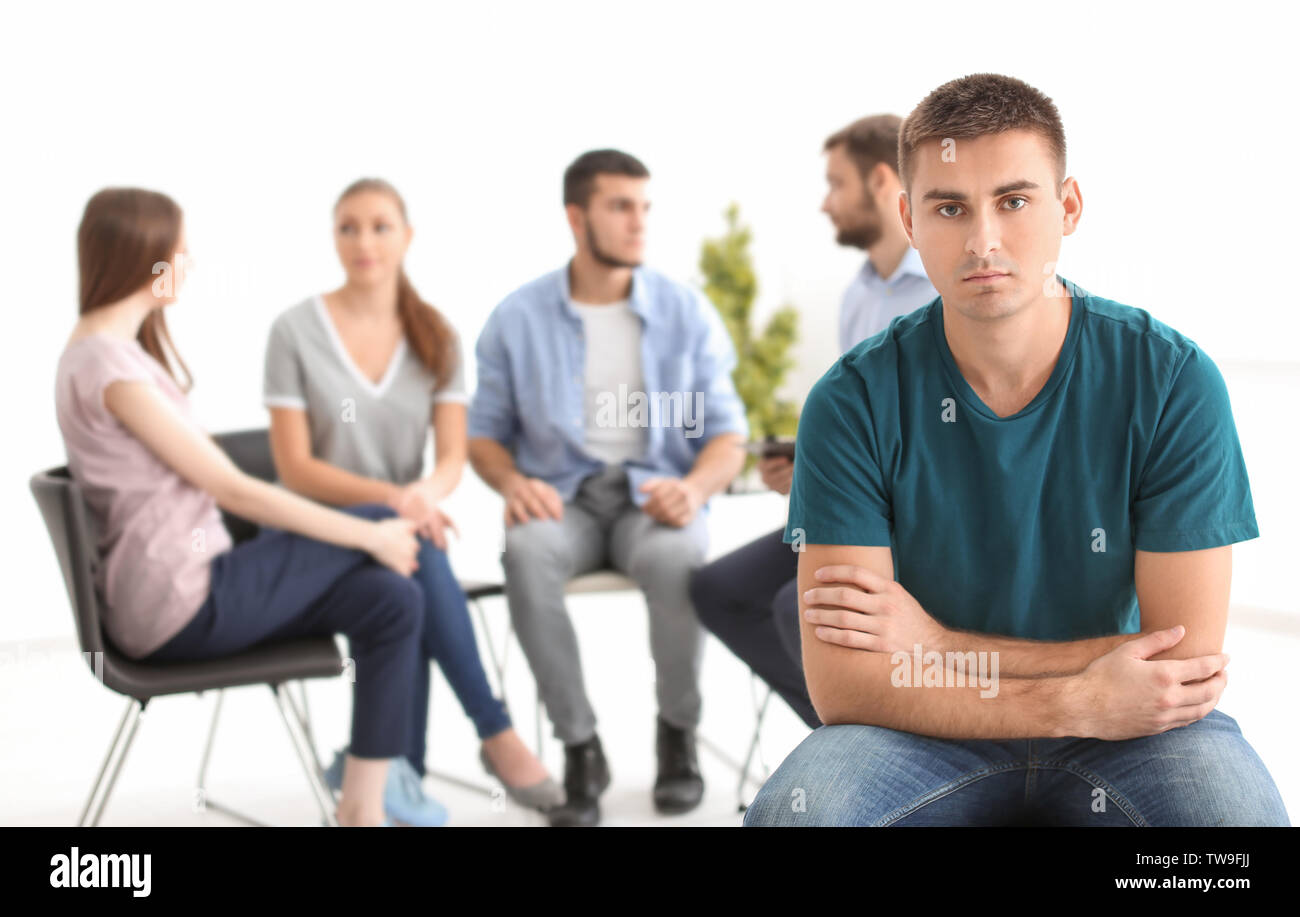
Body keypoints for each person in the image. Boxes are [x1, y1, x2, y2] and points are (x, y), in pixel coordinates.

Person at [743, 73, 1290, 826]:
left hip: (1131, 727)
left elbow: (1179, 665)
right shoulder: (851, 400)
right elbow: (845, 684)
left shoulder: (1169, 379)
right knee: (797, 818)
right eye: (949, 207)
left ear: (1067, 207)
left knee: (1230, 837)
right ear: (908, 217)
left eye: (1014, 200)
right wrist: (1077, 692)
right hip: (920, 730)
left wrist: (933, 644)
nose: (983, 241)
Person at [55, 187, 439, 827]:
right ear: (147, 259)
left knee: (393, 600)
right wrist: (369, 536)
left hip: (200, 586)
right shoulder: (107, 367)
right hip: (179, 606)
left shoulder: (113, 355)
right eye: (180, 252)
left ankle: (361, 809)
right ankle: (476, 741)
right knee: (381, 528)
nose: (189, 264)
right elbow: (230, 489)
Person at [467, 149, 749, 826]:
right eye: (620, 206)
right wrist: (510, 481)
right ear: (577, 216)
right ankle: (579, 746)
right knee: (526, 551)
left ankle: (677, 735)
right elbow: (481, 437)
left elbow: (728, 434)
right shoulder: (517, 317)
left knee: (680, 556)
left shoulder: (686, 312)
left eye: (644, 207)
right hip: (561, 497)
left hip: (653, 497)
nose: (637, 222)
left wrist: (695, 485)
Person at [262, 178, 562, 814]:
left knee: (407, 575)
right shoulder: (294, 332)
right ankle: (495, 732)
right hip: (318, 531)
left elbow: (453, 456)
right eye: (349, 227)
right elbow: (294, 470)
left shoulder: (437, 337)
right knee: (418, 553)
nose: (364, 241)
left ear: (407, 235)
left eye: (379, 225)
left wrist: (422, 493)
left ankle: (398, 768)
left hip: (400, 531)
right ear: (334, 237)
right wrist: (400, 500)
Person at [690, 115, 937, 730]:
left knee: (791, 607)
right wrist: (808, 465)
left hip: (913, 518)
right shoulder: (859, 295)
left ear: (881, 181)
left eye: (835, 184)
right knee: (717, 589)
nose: (825, 203)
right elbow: (865, 419)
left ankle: (877, 741)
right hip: (852, 505)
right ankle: (846, 733)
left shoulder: (942, 286)